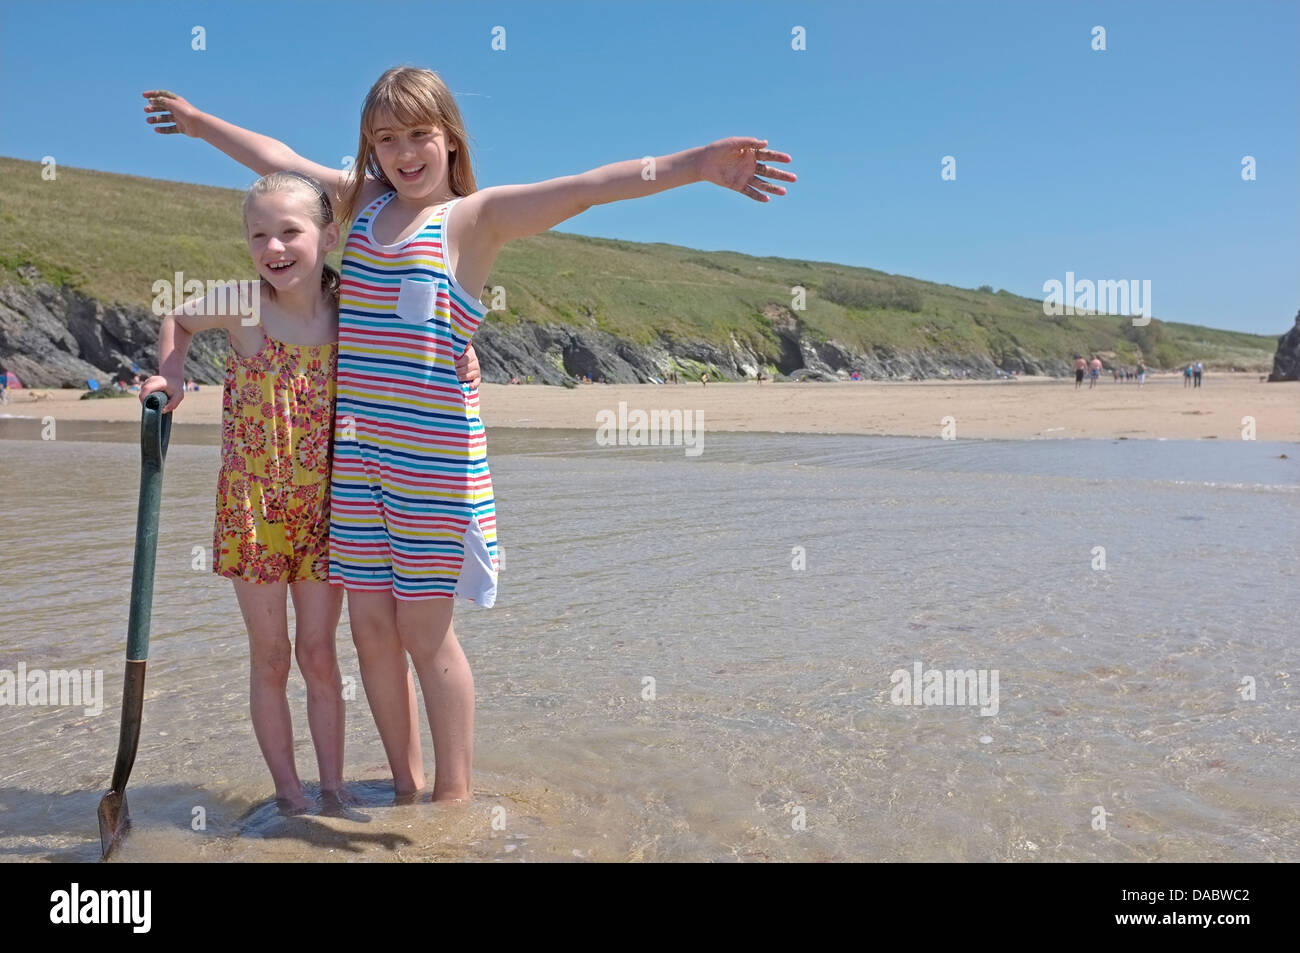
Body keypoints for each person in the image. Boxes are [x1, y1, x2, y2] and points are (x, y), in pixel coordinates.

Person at [143, 71, 793, 802]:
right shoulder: (360, 205)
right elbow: (278, 156)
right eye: (386, 139)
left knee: (425, 636)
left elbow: (586, 186)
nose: (404, 152)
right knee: (372, 638)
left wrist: (695, 166)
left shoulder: (473, 220)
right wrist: (199, 123)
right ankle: (406, 786)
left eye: (419, 134)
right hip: (356, 472)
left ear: (449, 136)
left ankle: (452, 797)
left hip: (434, 472)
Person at [138, 171, 480, 812]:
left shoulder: (352, 304)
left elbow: (421, 332)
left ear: (327, 236)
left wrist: (465, 354)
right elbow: (177, 320)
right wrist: (172, 374)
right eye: (259, 235)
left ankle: (333, 789)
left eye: (289, 232)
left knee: (320, 655)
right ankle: (290, 796)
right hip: (253, 510)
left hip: (332, 509)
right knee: (270, 656)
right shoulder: (242, 304)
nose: (274, 248)